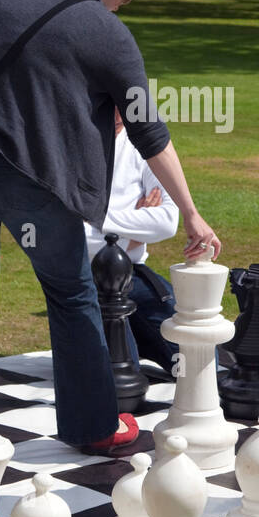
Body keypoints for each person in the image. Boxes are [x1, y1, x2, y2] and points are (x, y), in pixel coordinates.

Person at [0, 0, 220, 453]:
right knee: (72, 293)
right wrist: (191, 212)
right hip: (27, 175)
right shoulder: (107, 31)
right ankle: (94, 426)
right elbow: (149, 131)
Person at [83, 106, 180, 376]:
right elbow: (63, 231)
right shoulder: (67, 144)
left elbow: (167, 221)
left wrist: (95, 221)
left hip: (133, 276)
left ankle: (141, 337)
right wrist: (132, 234)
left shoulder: (145, 144)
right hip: (85, 278)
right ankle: (132, 341)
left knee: (196, 362)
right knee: (120, 379)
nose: (115, 112)